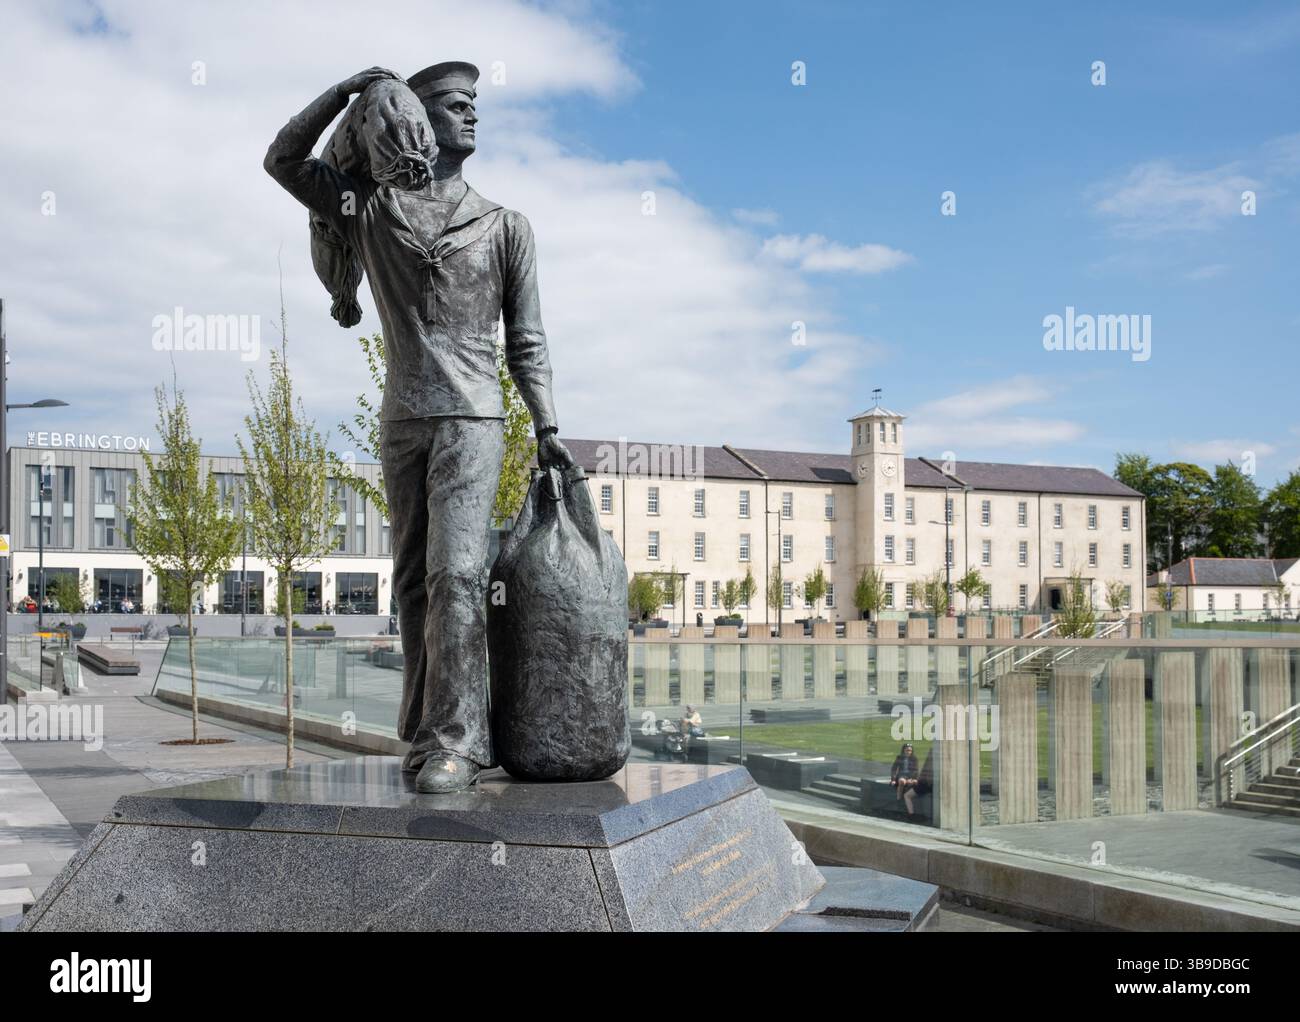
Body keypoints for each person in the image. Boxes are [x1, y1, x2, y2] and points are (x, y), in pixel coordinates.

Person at [265, 62, 573, 793]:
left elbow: (527, 340)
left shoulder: (506, 227)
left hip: (474, 420)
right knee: (410, 581)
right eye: (456, 106)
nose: (472, 116)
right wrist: (345, 92)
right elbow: (282, 161)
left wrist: (548, 425)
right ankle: (424, 727)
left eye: (476, 106)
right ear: (415, 117)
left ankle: (460, 742)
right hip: (403, 420)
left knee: (456, 575)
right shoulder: (369, 211)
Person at [890, 743, 921, 816]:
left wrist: (913, 779)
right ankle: (899, 800)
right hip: (902, 775)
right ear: (903, 750)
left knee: (916, 782)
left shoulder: (914, 759)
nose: (908, 752)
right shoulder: (899, 757)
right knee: (902, 782)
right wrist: (893, 779)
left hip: (910, 776)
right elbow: (894, 769)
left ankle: (913, 805)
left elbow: (916, 770)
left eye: (910, 751)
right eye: (907, 750)